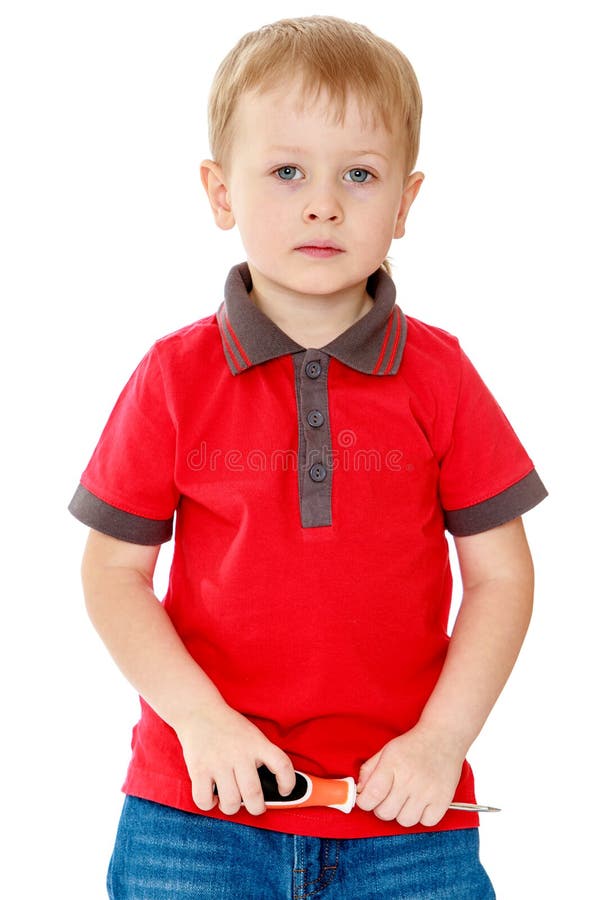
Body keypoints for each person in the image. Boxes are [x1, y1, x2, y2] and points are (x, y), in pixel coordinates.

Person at [68, 15, 548, 899]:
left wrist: (441, 743)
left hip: (408, 815)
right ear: (220, 193)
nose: (323, 202)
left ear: (405, 204)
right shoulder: (173, 374)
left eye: (358, 176)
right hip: (196, 810)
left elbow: (502, 579)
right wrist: (201, 724)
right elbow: (113, 573)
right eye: (286, 172)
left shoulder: (442, 374)